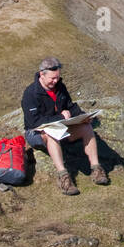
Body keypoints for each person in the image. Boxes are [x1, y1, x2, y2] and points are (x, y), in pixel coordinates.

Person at [21, 57, 108, 195]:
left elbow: (70, 106)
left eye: (57, 77)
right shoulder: (30, 93)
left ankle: (96, 169)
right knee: (50, 134)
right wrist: (61, 117)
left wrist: (83, 116)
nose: (55, 81)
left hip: (60, 127)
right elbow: (34, 122)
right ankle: (64, 177)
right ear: (42, 74)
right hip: (36, 133)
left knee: (87, 128)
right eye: (52, 78)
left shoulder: (60, 87)